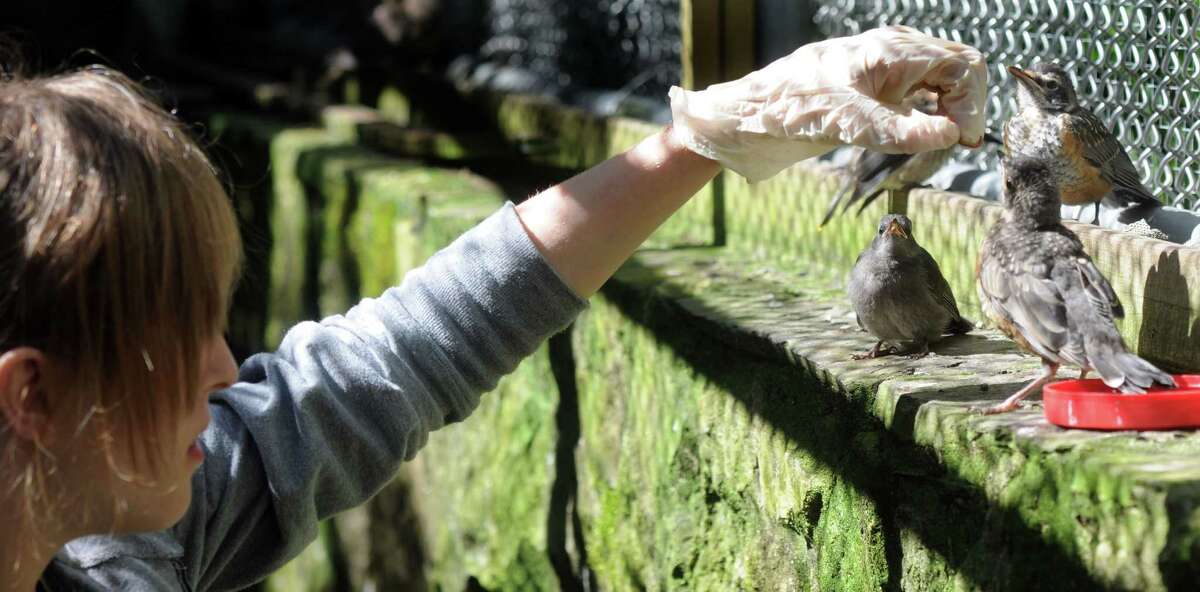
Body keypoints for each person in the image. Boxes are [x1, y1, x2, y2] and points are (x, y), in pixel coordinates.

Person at [0, 26, 986, 590]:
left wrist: (721, 131)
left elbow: (392, 361)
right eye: (173, 344)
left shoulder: (106, 521)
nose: (227, 371)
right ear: (34, 397)